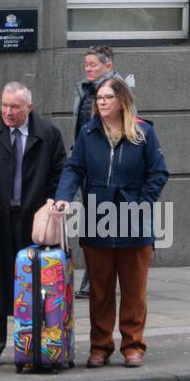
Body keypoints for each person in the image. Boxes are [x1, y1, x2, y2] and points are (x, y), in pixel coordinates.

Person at [55, 76, 168, 369]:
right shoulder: (88, 133)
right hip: (97, 216)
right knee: (100, 290)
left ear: (122, 101)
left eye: (107, 98)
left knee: (133, 290)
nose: (101, 103)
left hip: (134, 219)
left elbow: (158, 173)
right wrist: (64, 197)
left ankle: (132, 345)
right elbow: (74, 168)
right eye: (99, 98)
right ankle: (100, 346)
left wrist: (142, 203)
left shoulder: (143, 133)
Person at [0, 83, 67, 367]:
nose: (8, 112)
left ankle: (35, 343)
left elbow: (60, 169)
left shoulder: (47, 133)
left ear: (29, 108)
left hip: (35, 220)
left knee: (35, 283)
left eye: (15, 107)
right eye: (4, 105)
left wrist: (50, 202)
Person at [71, 46, 121, 300]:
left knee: (101, 221)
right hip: (85, 162)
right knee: (93, 221)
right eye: (87, 64)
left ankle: (95, 282)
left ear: (108, 65)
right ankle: (96, 279)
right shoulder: (83, 88)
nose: (88, 68)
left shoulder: (117, 91)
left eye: (93, 64)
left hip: (105, 165)